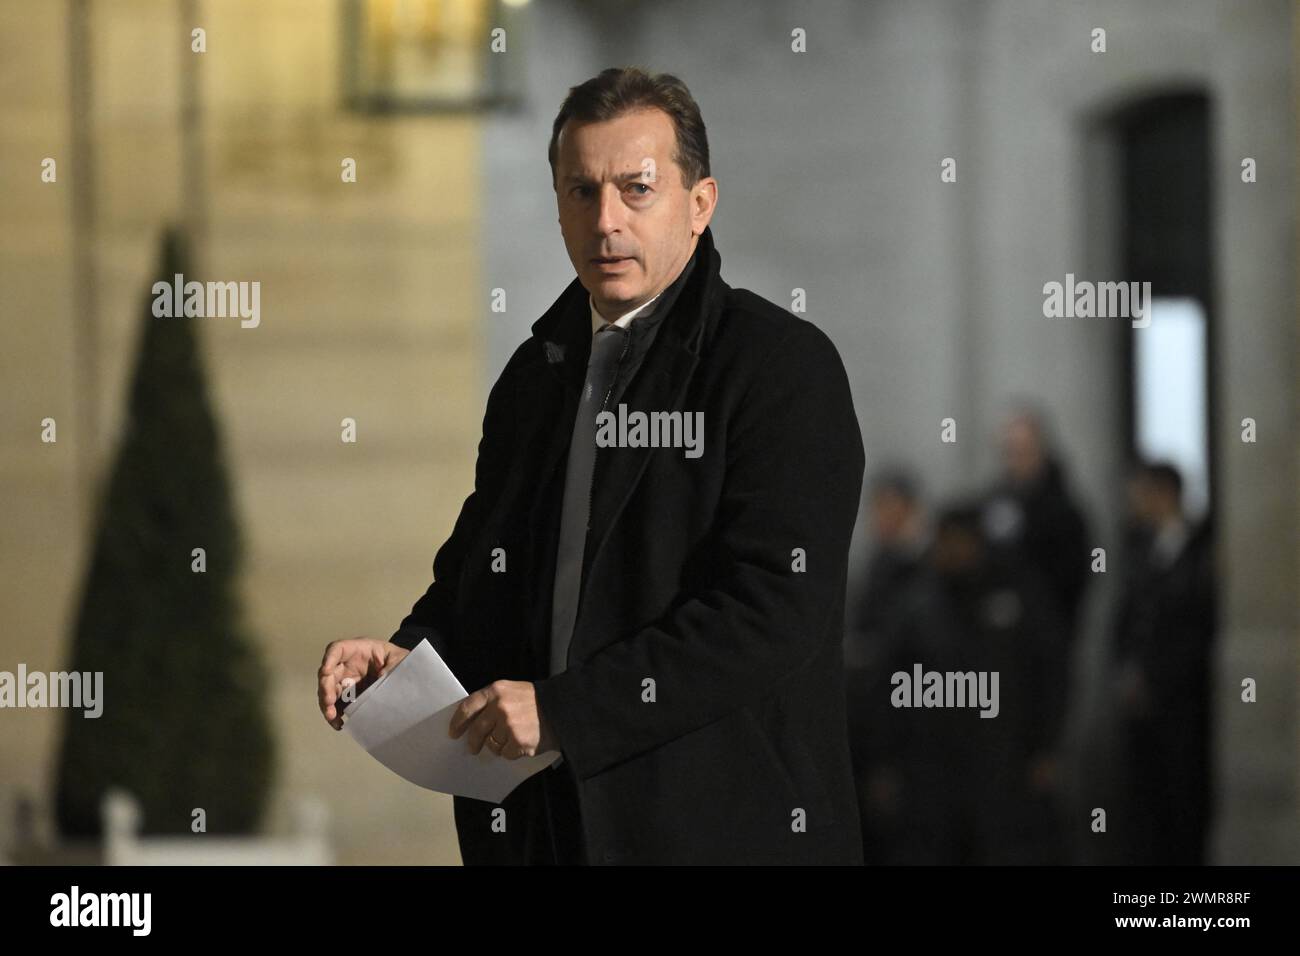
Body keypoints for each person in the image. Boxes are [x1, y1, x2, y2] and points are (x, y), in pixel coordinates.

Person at [317, 67, 866, 865]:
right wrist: (410, 659)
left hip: (717, 832)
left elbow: (770, 612)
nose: (606, 221)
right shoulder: (534, 379)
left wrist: (566, 712)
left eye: (636, 189)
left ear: (700, 202)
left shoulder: (780, 367)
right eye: (581, 192)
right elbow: (483, 576)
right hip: (549, 834)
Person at [1110, 461, 1216, 864]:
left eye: (1140, 492)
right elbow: (1128, 619)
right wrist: (1127, 673)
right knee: (1145, 801)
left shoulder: (1199, 549)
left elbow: (1195, 628)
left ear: (1163, 494)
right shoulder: (1138, 548)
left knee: (1183, 799)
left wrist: (1163, 680)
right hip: (1142, 701)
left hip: (1182, 701)